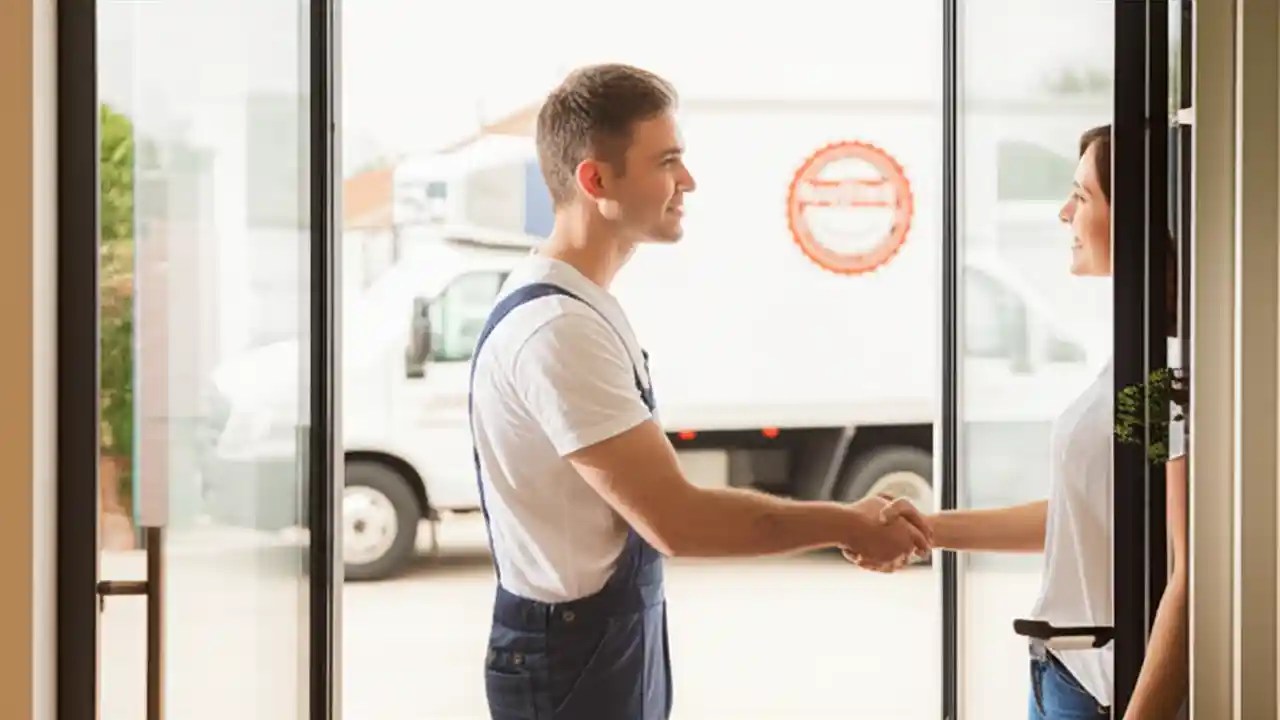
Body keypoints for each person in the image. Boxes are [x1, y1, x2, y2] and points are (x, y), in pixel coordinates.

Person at [467, 63, 933, 720]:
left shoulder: (579, 303)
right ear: (597, 181)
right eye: (667, 161)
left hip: (598, 639)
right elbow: (676, 522)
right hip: (574, 656)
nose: (688, 181)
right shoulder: (559, 327)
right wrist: (845, 523)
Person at [851, 125, 1188, 719]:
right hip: (1062, 672)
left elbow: (1193, 574)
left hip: (1108, 690)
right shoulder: (1141, 356)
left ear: (1135, 220)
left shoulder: (1170, 371)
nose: (1064, 213)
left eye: (1081, 196)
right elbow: (1093, 516)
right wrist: (926, 528)